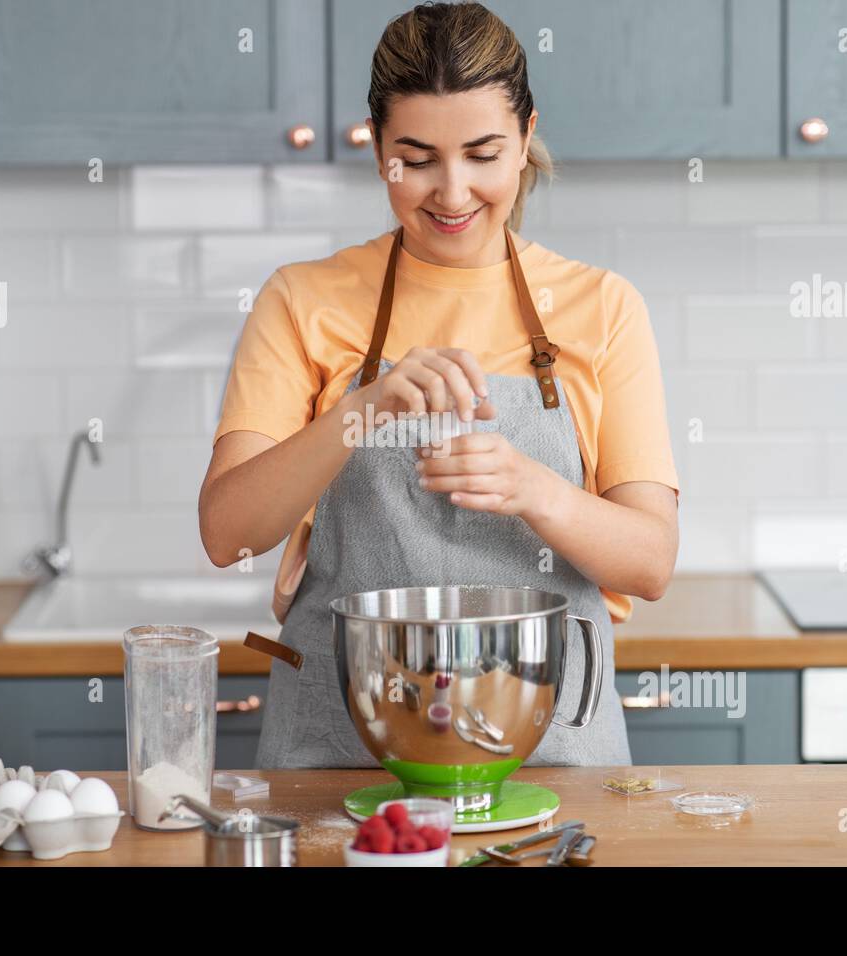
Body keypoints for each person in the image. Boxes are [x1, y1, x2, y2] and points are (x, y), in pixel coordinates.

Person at [199, 2, 679, 769]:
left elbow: (650, 561)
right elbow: (229, 532)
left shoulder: (603, 307)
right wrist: (359, 411)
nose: (452, 193)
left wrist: (533, 487)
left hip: (549, 753)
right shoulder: (301, 299)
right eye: (417, 159)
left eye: (483, 154)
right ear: (378, 149)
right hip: (340, 757)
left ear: (525, 139)